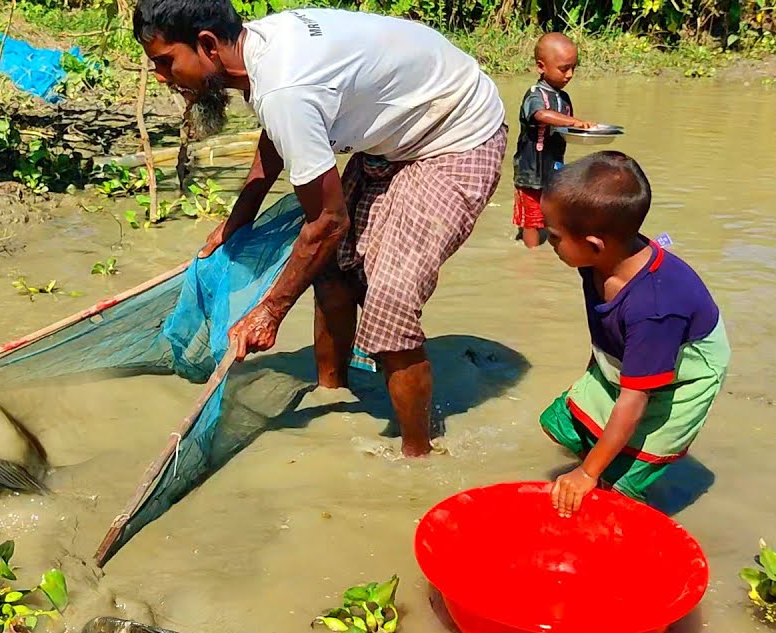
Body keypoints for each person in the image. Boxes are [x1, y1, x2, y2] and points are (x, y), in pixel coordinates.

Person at [132, 0, 507, 457]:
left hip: (455, 136)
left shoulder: (285, 84)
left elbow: (328, 222)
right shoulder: (256, 51)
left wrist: (270, 310)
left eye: (166, 61)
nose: (161, 76)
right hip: (396, 132)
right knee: (329, 270)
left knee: (390, 302)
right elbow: (279, 131)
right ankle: (332, 389)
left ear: (207, 45)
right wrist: (239, 219)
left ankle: (417, 457)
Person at [540, 151, 730, 517]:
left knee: (618, 490)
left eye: (553, 237)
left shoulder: (654, 308)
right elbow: (605, 329)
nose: (551, 245)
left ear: (594, 244)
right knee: (562, 424)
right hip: (627, 359)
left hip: (684, 374)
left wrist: (586, 474)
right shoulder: (596, 262)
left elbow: (635, 399)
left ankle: (625, 500)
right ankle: (603, 457)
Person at [513, 32, 595, 250]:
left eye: (573, 68)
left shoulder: (563, 98)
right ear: (541, 67)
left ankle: (550, 247)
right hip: (531, 168)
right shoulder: (535, 94)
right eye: (564, 68)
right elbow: (540, 115)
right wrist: (574, 121)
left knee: (552, 209)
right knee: (531, 216)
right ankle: (531, 256)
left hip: (553, 165)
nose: (569, 75)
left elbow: (564, 129)